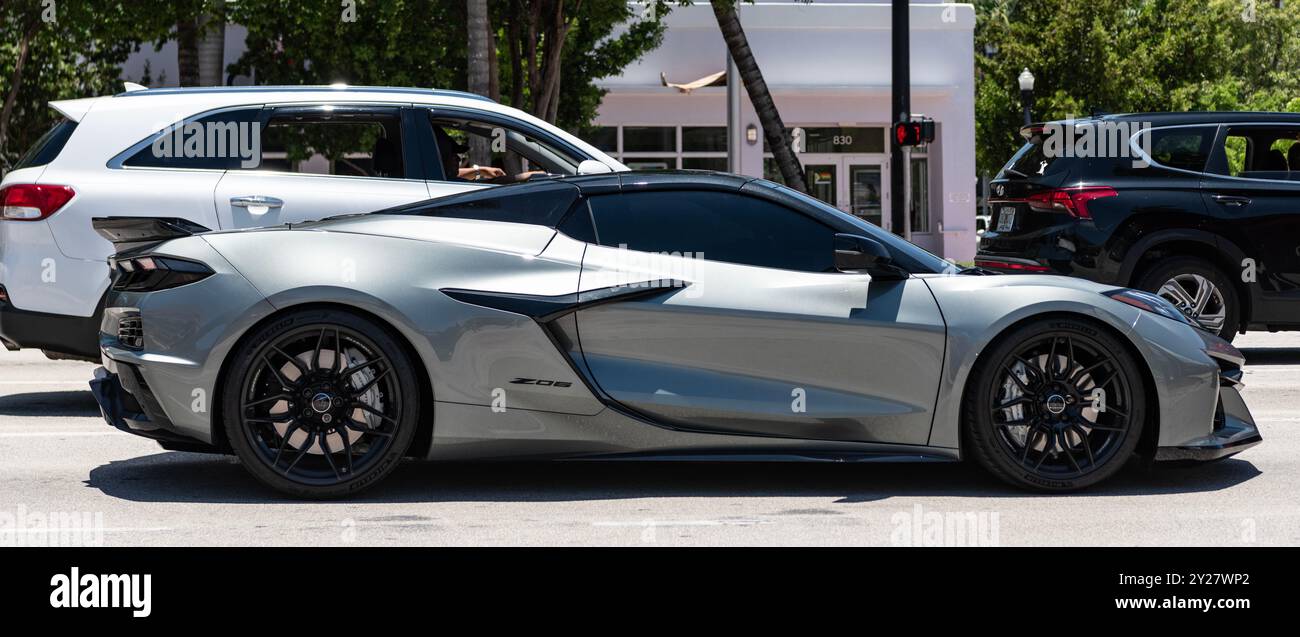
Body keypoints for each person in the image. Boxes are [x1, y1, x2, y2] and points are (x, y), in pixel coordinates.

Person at [432, 126, 546, 184]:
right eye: (452, 154)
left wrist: (480, 170)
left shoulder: (434, 178)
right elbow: (488, 185)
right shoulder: (448, 184)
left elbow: (452, 175)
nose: (457, 158)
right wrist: (525, 177)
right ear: (439, 158)